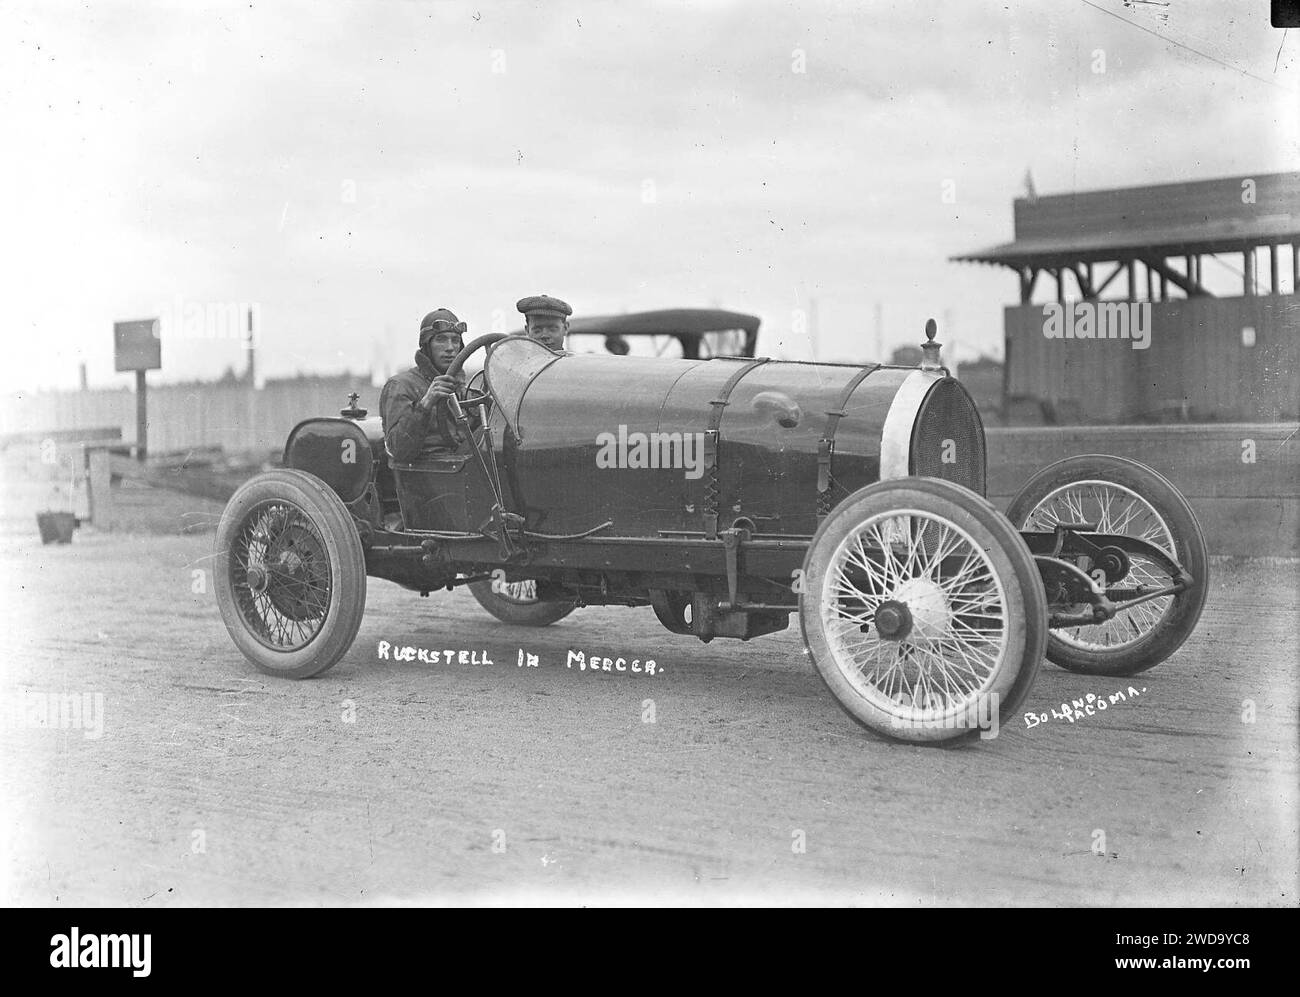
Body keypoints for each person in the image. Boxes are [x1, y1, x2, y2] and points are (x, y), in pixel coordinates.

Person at [380, 308, 467, 462]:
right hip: (428, 477)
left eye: (455, 340)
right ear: (427, 345)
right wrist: (425, 404)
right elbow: (397, 450)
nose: (450, 347)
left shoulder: (462, 389)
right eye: (440, 339)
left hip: (464, 470)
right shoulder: (401, 386)